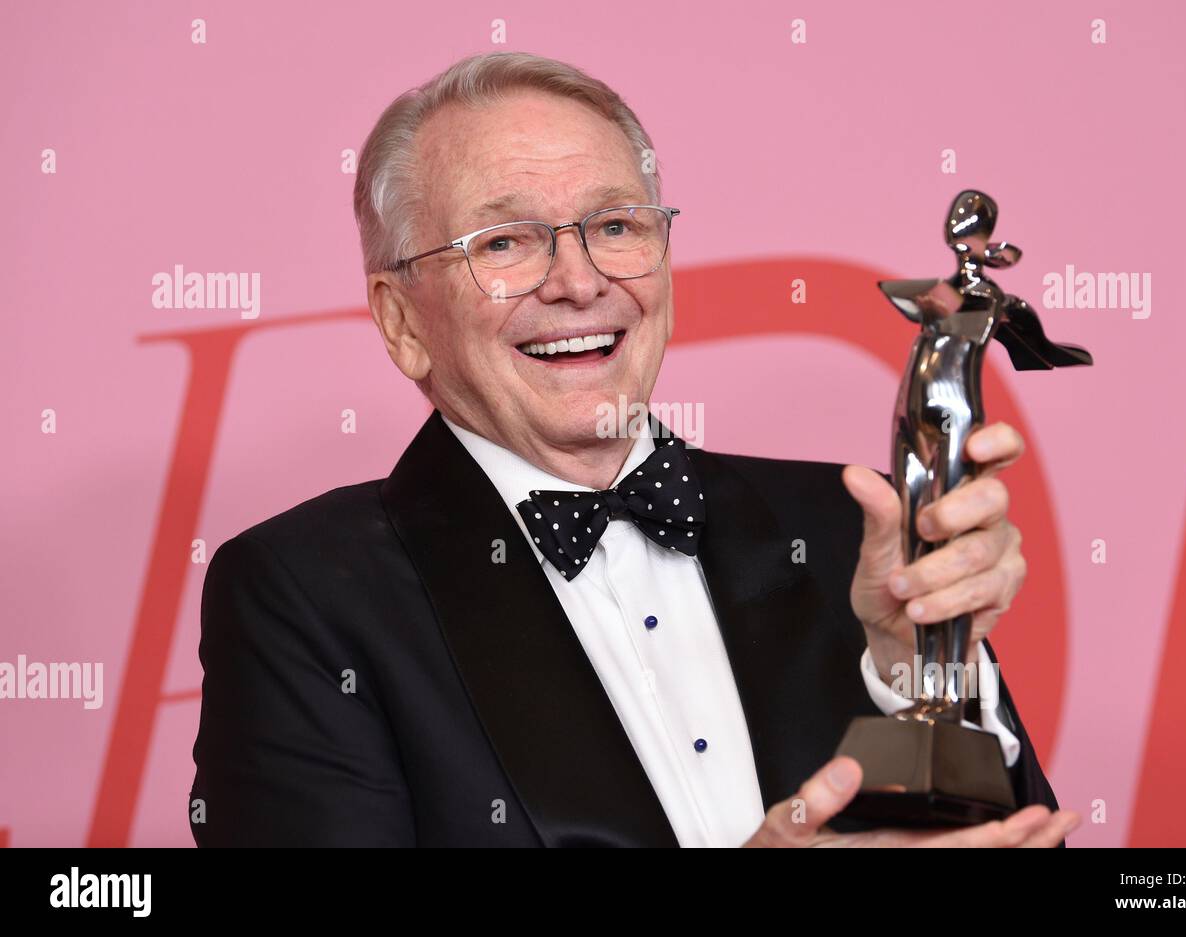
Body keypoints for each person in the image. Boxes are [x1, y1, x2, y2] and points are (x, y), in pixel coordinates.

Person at [189, 51, 1078, 847]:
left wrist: (923, 666)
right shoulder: (301, 593)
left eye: (615, 226)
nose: (580, 283)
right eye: (505, 242)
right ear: (401, 319)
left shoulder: (858, 525)